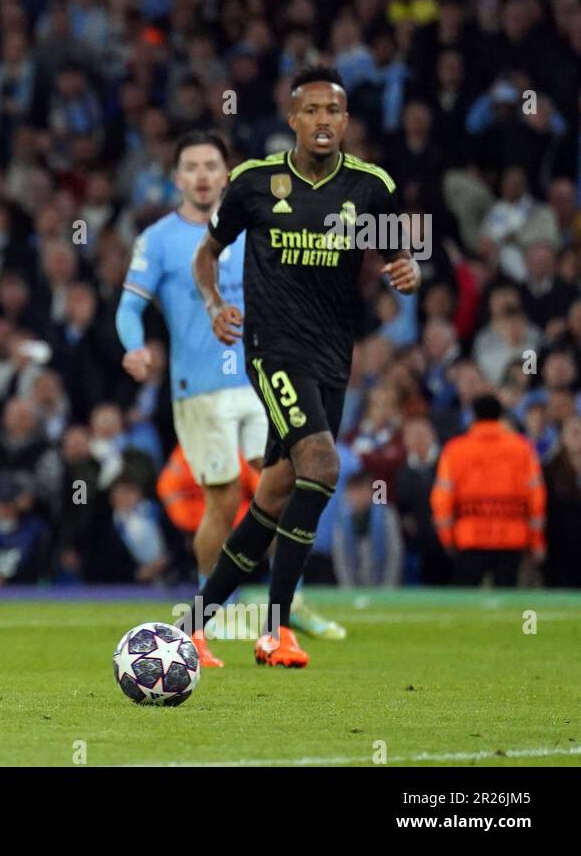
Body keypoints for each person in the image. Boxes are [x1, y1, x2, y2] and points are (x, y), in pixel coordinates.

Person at [176, 65, 419, 668]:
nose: (322, 122)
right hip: (273, 350)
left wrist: (406, 271)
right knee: (324, 465)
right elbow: (206, 256)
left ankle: (196, 625)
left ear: (345, 121)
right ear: (292, 121)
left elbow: (400, 257)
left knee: (278, 492)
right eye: (310, 111)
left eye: (332, 111)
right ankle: (276, 629)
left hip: (334, 357)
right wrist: (213, 303)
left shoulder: (371, 187)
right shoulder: (255, 183)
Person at [118, 132, 345, 663]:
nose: (201, 175)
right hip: (197, 390)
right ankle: (210, 612)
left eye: (211, 166)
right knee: (221, 500)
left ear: (227, 175)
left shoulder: (255, 229)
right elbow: (130, 307)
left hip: (258, 378)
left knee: (279, 486)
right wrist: (134, 349)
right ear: (177, 178)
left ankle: (288, 603)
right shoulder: (158, 239)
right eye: (191, 166)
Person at [430, 394, 546, 587]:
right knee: (507, 601)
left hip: (469, 536)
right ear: (500, 416)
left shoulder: (455, 450)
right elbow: (536, 498)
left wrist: (447, 537)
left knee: (464, 601)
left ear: (473, 416)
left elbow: (442, 499)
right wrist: (536, 541)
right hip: (512, 537)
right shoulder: (522, 448)